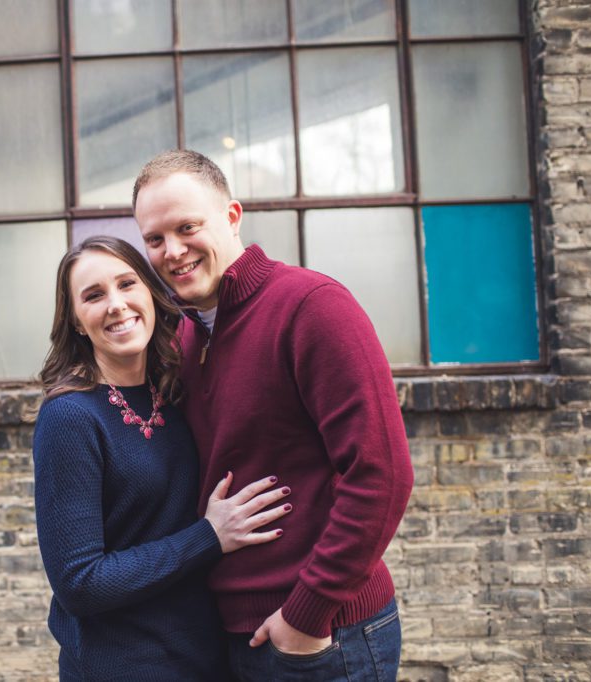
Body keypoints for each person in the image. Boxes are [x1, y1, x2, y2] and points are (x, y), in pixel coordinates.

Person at [132, 150, 415, 681]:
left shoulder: (312, 306)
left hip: (323, 636)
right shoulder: (181, 338)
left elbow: (383, 473)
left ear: (232, 216)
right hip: (228, 635)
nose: (173, 251)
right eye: (154, 239)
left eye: (187, 227)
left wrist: (307, 614)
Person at [32, 235, 294, 680]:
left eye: (127, 284)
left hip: (205, 657)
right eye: (94, 296)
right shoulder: (70, 418)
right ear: (77, 321)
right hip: (122, 666)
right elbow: (79, 582)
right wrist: (208, 536)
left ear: (151, 295)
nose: (116, 304)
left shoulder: (173, 394)